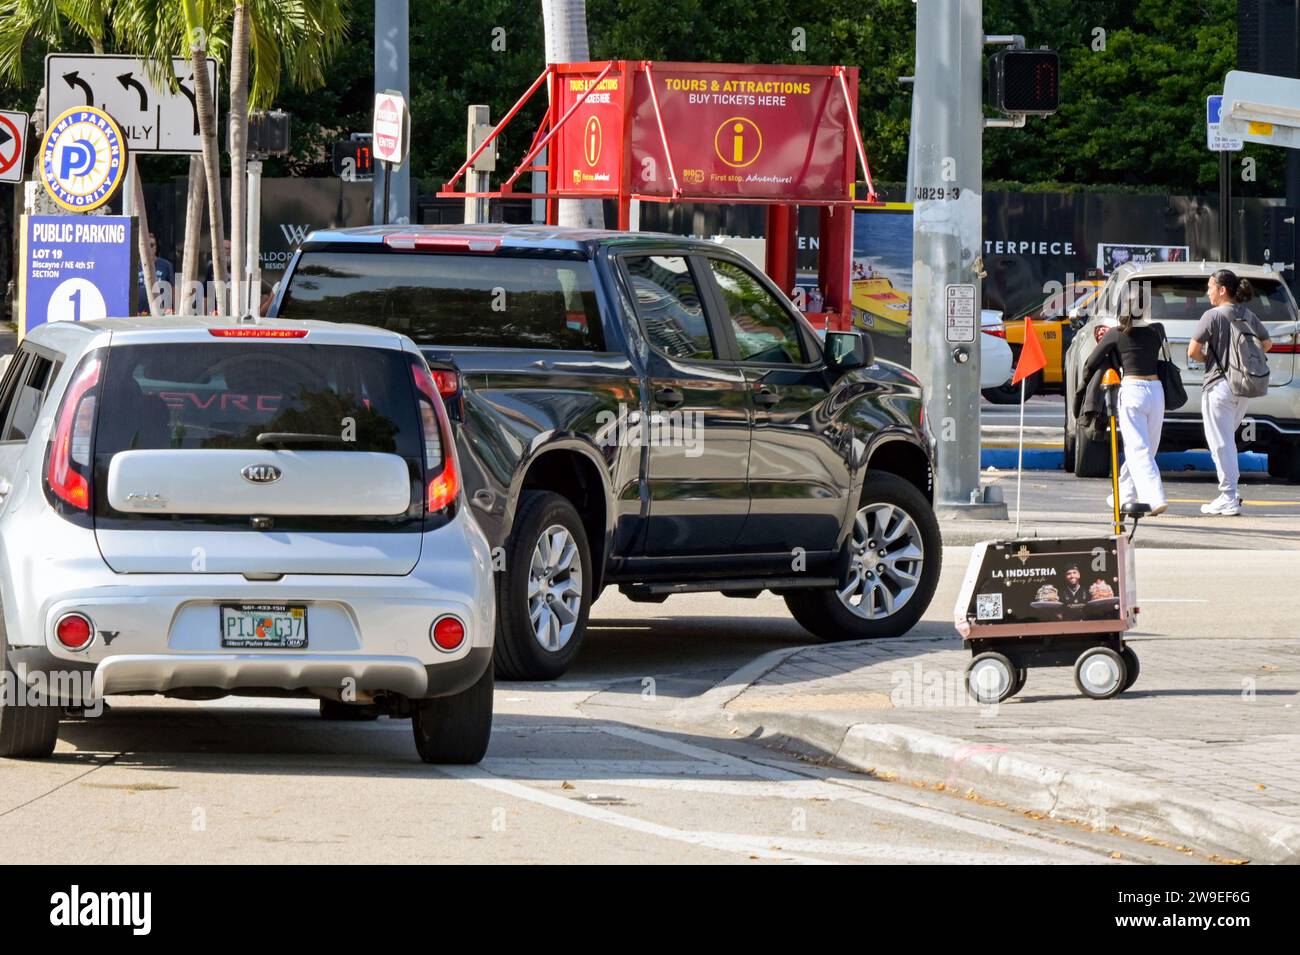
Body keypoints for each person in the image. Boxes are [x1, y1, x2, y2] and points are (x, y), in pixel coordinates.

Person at [1080, 287, 1169, 515]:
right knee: (1147, 448)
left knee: (1138, 449)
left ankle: (1154, 497)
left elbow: (1091, 362)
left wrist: (1087, 383)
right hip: (1156, 391)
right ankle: (1124, 495)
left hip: (1131, 390)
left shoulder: (1116, 333)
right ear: (1147, 308)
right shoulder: (1158, 330)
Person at [1189, 269, 1271, 516]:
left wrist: (1209, 361)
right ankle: (1230, 494)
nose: (1208, 292)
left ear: (1222, 289)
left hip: (1218, 385)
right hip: (1242, 387)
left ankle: (1228, 496)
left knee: (1220, 443)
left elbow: (1193, 350)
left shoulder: (1211, 315)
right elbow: (1267, 344)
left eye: (1210, 287)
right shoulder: (1247, 314)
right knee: (1227, 441)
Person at [137, 234, 175, 314]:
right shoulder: (134, 266)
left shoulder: (166, 265)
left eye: (151, 245)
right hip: (138, 314)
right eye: (145, 245)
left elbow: (173, 289)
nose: (149, 248)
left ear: (156, 247)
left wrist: (174, 309)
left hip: (161, 313)